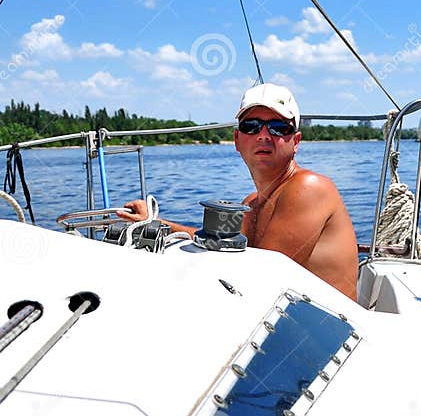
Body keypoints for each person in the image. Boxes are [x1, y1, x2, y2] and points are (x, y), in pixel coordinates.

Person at [117, 84, 359, 300]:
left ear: (295, 142)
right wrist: (155, 222)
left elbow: (265, 277)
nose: (264, 135)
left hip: (327, 333)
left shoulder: (310, 188)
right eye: (251, 126)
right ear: (237, 139)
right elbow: (222, 242)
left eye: (277, 128)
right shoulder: (252, 203)